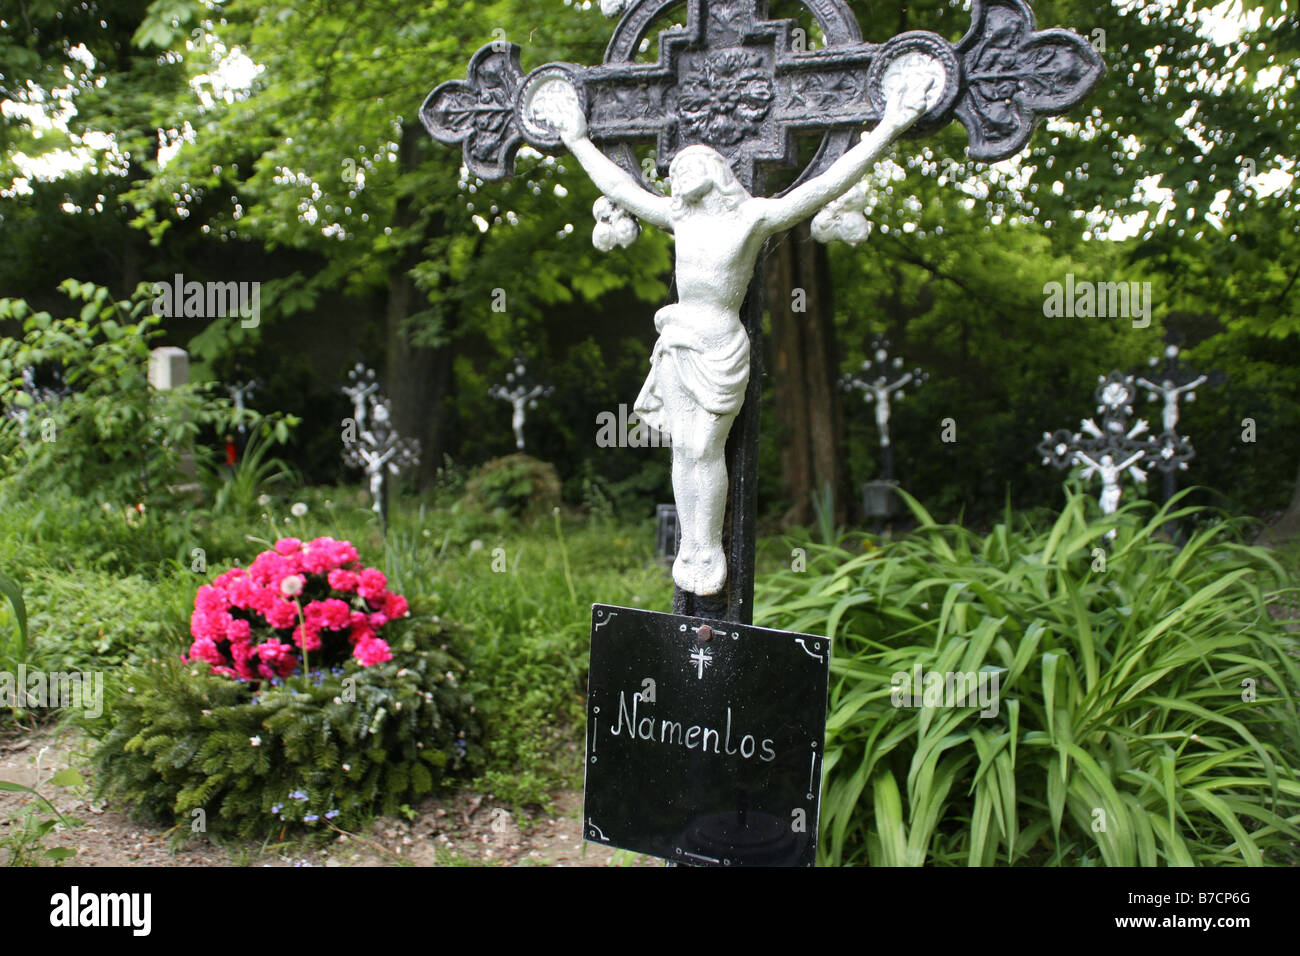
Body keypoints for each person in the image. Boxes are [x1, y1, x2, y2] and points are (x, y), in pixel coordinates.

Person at [549, 71, 936, 595]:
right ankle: (691, 544)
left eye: (690, 166)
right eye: (675, 168)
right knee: (682, 450)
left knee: (705, 446)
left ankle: (707, 548)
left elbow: (825, 184)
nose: (678, 174)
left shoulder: (751, 218)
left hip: (719, 347)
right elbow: (619, 186)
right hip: (677, 341)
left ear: (716, 170)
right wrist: (575, 138)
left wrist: (890, 126)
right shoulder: (678, 218)